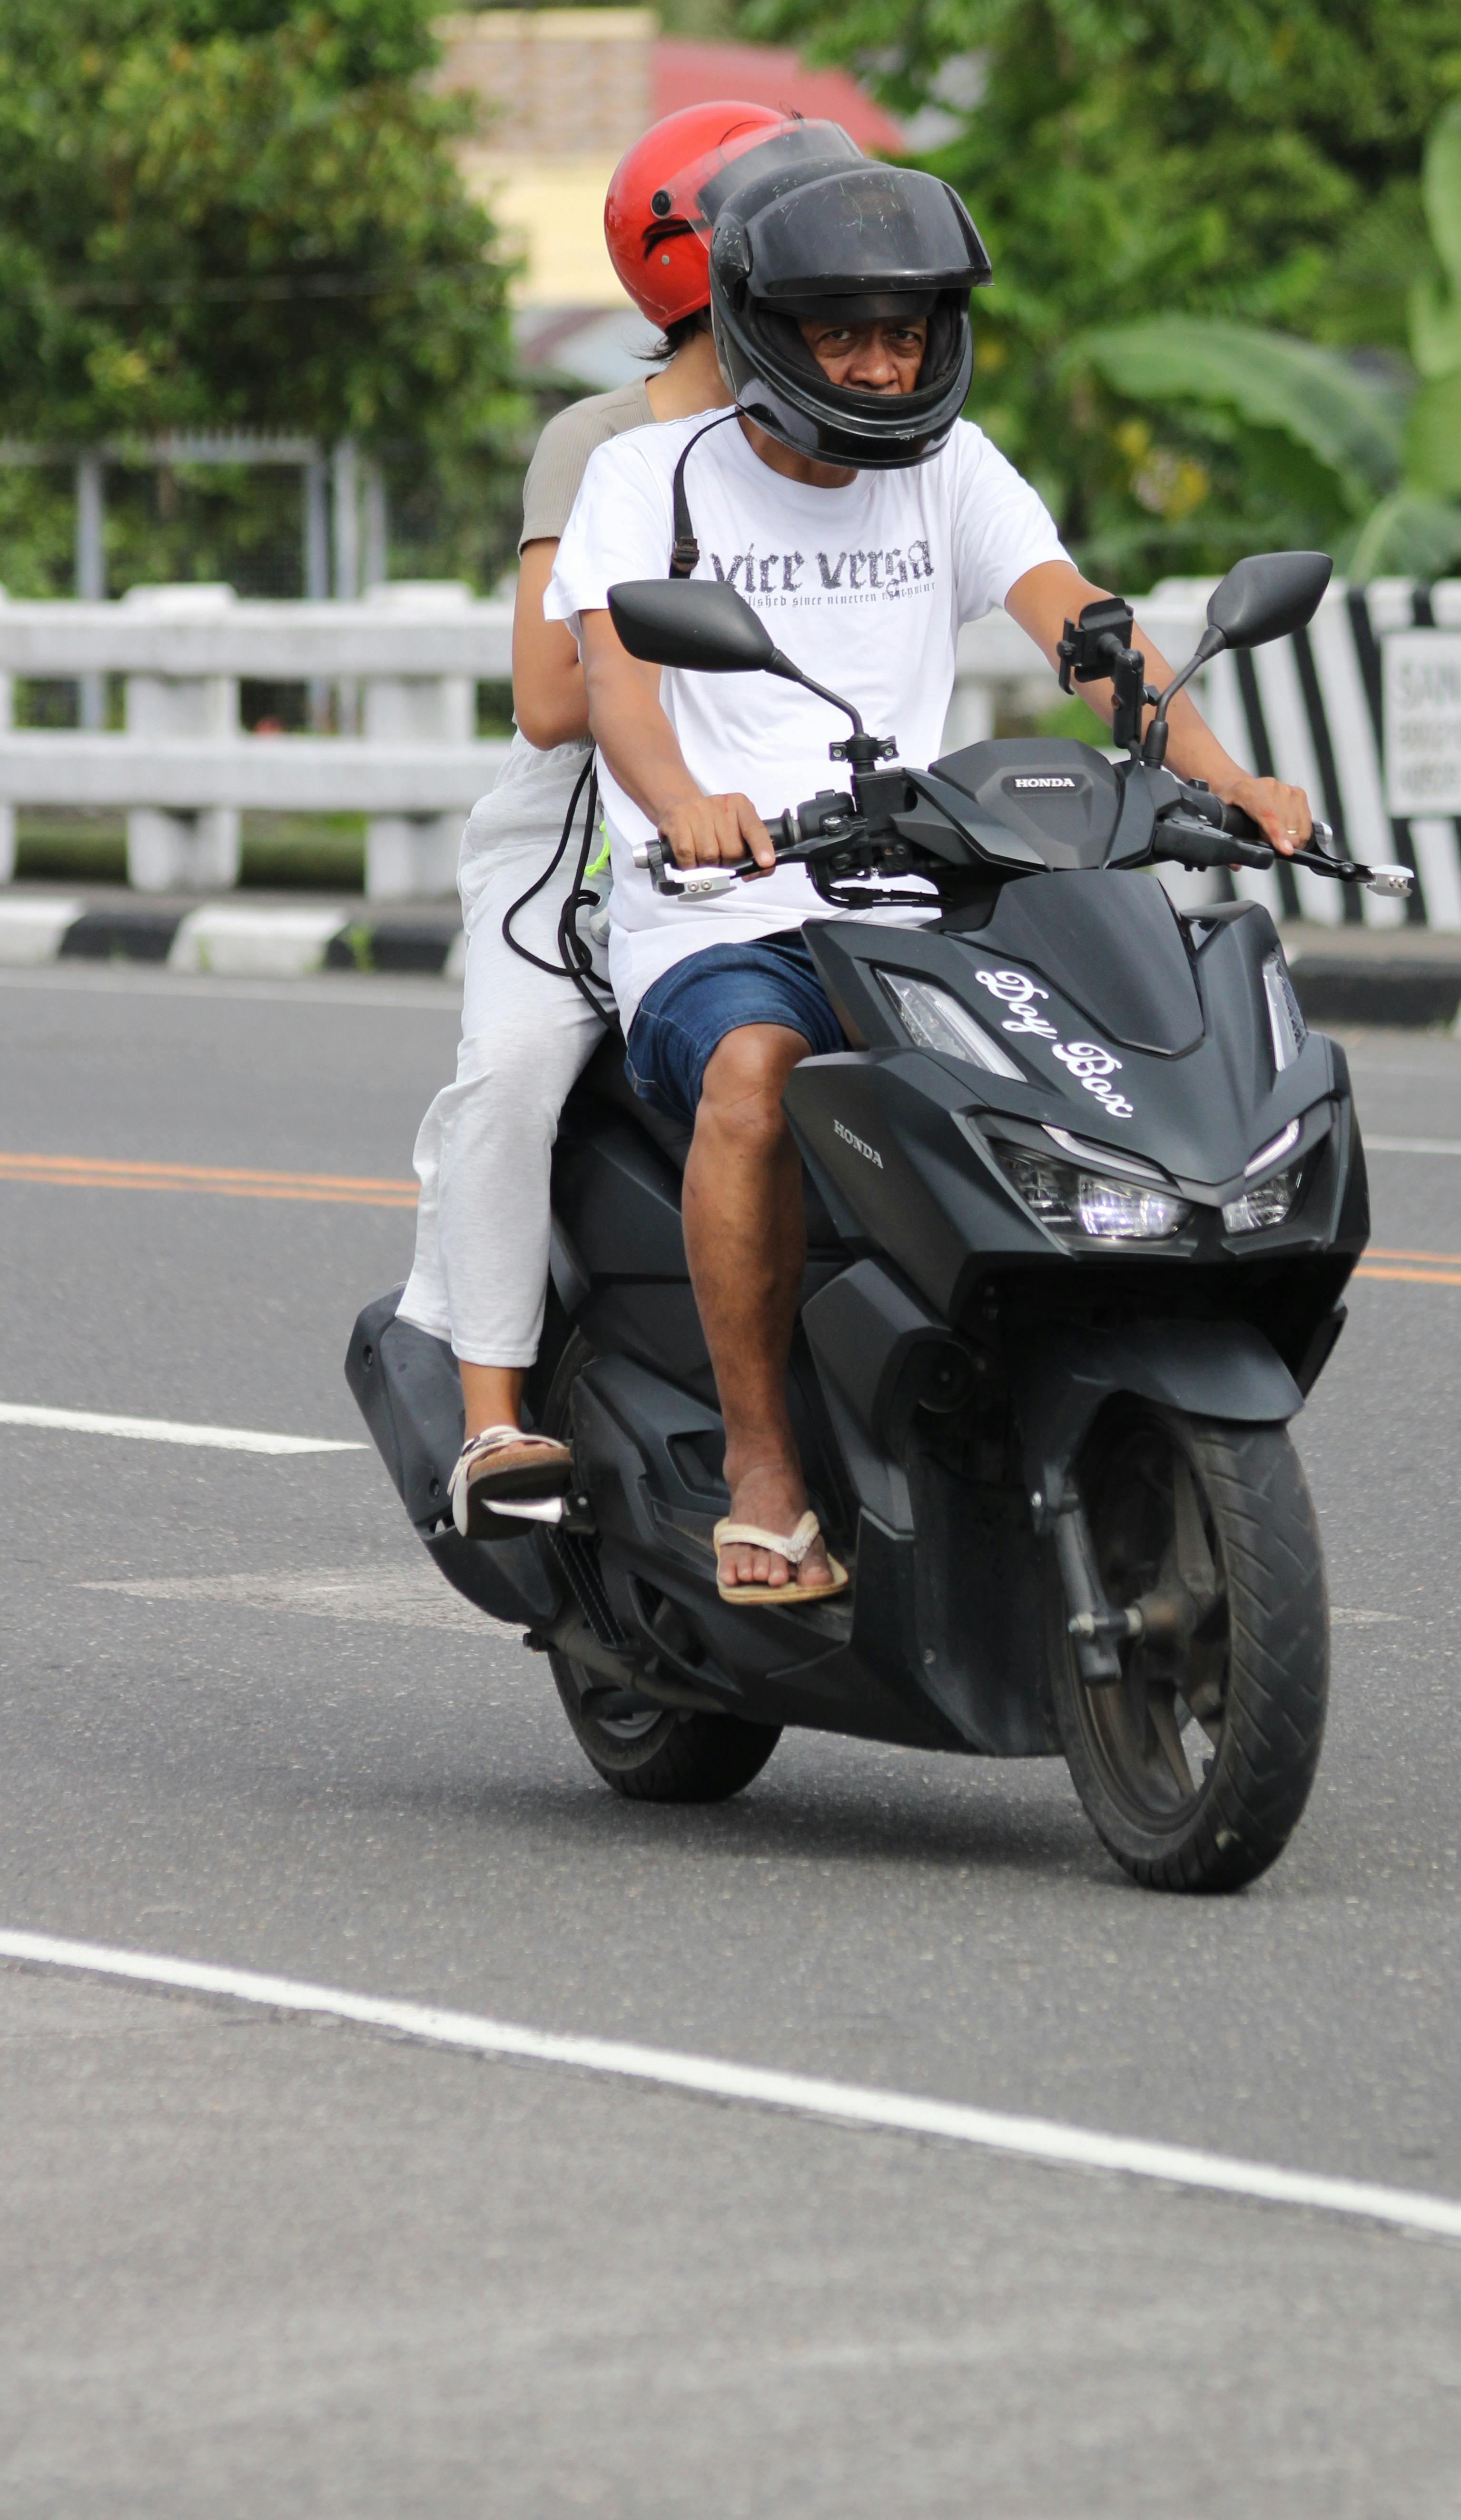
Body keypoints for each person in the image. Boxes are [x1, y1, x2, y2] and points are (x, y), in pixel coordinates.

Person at [549, 126, 1313, 1607]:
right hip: (729, 906)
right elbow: (621, 687)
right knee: (755, 1074)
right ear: (766, 329)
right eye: (847, 335)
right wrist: (689, 803)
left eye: (906, 335)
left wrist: (1228, 782)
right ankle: (767, 1480)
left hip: (925, 893)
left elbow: (1089, 635)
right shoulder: (652, 479)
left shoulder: (952, 472)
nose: (886, 367)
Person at [396, 101, 806, 1537]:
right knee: (515, 1073)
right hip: (583, 854)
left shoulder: (857, 431)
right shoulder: (604, 438)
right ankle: (494, 1421)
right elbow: (552, 699)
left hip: (800, 838)